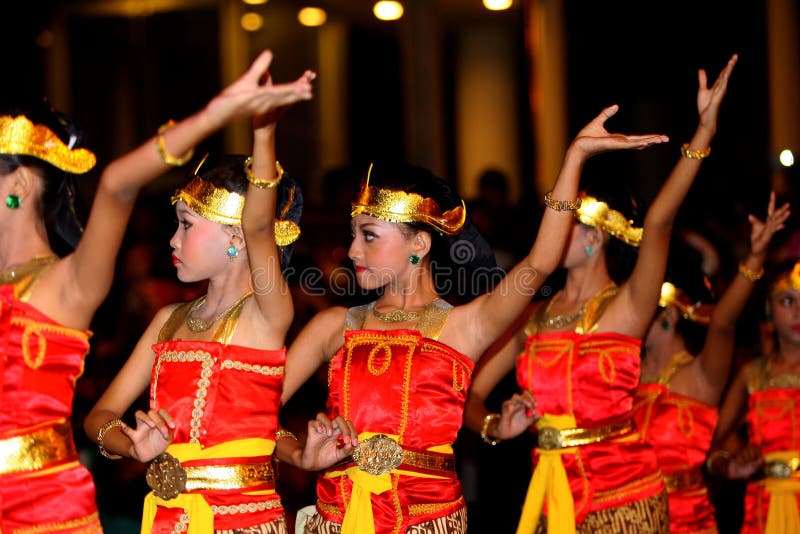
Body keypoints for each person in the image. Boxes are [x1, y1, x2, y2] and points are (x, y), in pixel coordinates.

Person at [275, 101, 670, 533]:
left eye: (369, 236)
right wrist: (300, 455)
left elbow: (539, 262)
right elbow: (256, 413)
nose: (352, 251)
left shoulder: (464, 326)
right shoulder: (333, 327)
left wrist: (574, 156)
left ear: (420, 245)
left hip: (430, 522)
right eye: (353, 235)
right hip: (339, 519)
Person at [464, 54, 738, 534]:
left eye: (566, 224)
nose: (553, 232)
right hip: (551, 500)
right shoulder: (532, 316)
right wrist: (494, 425)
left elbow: (659, 221)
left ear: (595, 237)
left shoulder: (628, 307)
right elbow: (469, 392)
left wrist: (703, 134)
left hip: (624, 502)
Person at [83, 51, 314, 533]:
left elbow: (258, 226)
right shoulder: (167, 318)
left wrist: (264, 130)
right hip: (167, 518)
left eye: (187, 225)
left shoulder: (266, 313)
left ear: (235, 238)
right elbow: (99, 416)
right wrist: (131, 444)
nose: (173, 239)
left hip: (243, 523)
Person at [633, 192, 789, 533]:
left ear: (670, 316)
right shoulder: (623, 371)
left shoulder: (700, 374)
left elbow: (723, 323)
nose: (632, 314)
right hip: (625, 518)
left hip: (685, 520)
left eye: (645, 307)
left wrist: (755, 256)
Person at [710, 257, 800, 534]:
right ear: (768, 310)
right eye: (787, 301)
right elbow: (712, 441)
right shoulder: (754, 374)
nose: (798, 311)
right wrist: (732, 461)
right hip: (763, 508)